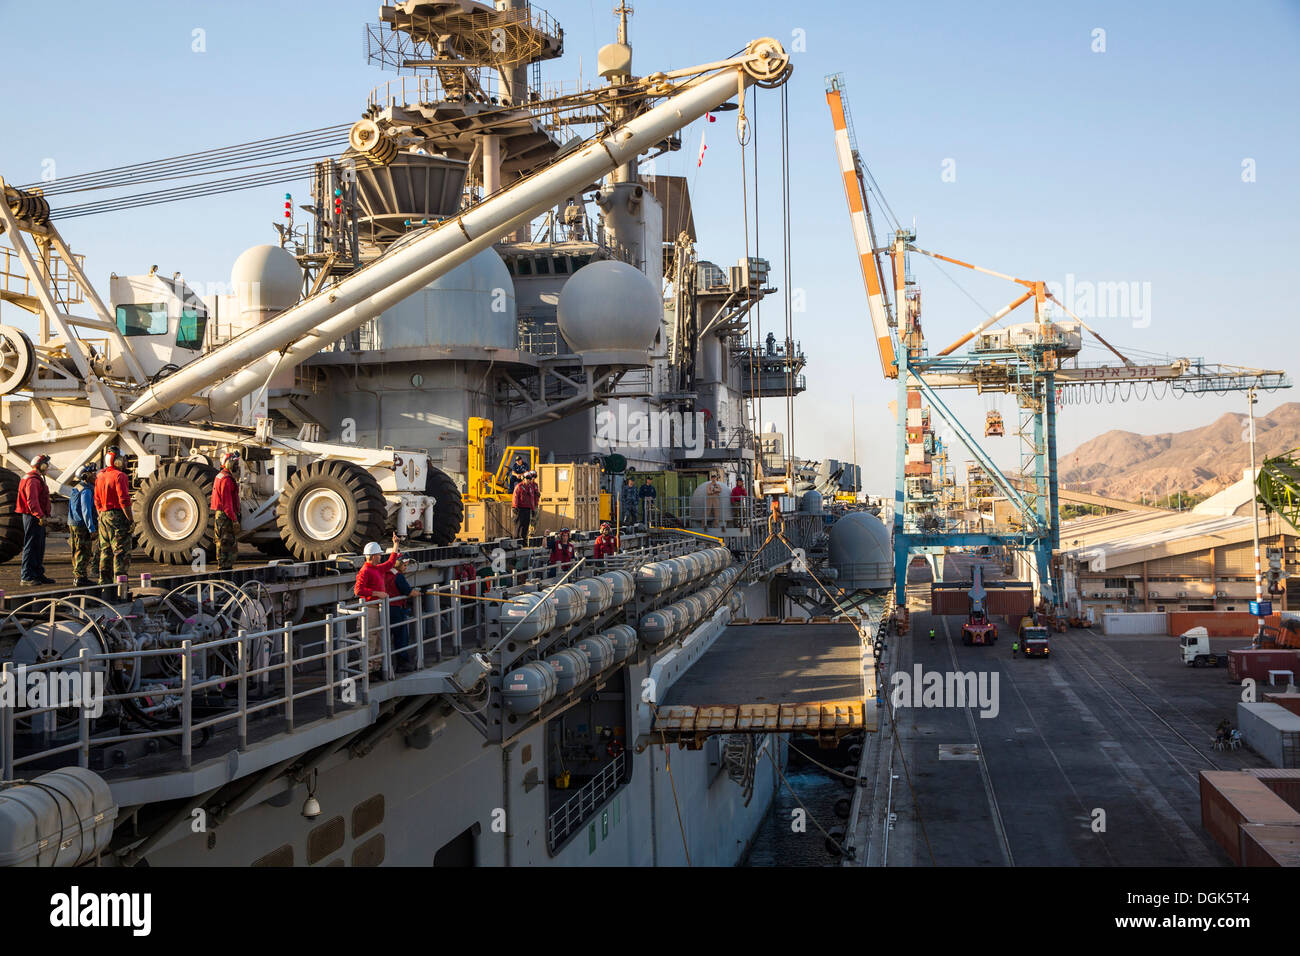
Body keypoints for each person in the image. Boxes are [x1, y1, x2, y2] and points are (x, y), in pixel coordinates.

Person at [354, 533, 401, 671]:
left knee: (378, 638)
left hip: (376, 608)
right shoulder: (365, 571)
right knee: (370, 640)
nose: (380, 557)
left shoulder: (375, 568)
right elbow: (358, 590)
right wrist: (377, 593)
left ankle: (375, 667)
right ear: (374, 556)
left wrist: (396, 545)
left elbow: (390, 563)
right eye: (379, 555)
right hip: (370, 608)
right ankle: (367, 670)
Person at [94, 446, 132, 585]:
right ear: (116, 461)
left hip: (103, 515)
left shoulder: (100, 475)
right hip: (117, 515)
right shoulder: (120, 476)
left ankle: (104, 582)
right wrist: (130, 519)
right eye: (122, 459)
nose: (124, 462)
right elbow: (124, 500)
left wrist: (101, 514)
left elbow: (96, 499)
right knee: (121, 550)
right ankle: (120, 583)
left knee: (105, 550)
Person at [16, 454, 55, 586]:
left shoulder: (35, 478)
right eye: (46, 465)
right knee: (31, 545)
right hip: (33, 517)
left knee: (39, 545)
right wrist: (40, 515)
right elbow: (32, 501)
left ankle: (37, 573)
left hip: (35, 516)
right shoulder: (33, 480)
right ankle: (26, 576)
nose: (48, 467)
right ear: (42, 466)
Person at [68, 464, 98, 587]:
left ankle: (78, 576)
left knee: (76, 550)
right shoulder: (86, 490)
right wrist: (91, 528)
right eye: (93, 473)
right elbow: (86, 511)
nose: (95, 476)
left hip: (74, 523)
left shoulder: (77, 487)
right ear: (86, 475)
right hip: (82, 525)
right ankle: (80, 578)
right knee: (83, 551)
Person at [211, 450, 241, 571]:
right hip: (225, 516)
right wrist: (234, 520)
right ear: (228, 463)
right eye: (235, 463)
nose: (237, 466)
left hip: (221, 515)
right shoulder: (226, 480)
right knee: (226, 542)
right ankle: (225, 567)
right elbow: (227, 504)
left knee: (221, 541)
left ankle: (223, 565)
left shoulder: (221, 476)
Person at [512, 469, 540, 542]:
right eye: (527, 478)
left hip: (527, 508)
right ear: (524, 479)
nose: (529, 480)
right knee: (518, 524)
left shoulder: (530, 487)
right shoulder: (519, 486)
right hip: (520, 508)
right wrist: (515, 506)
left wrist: (533, 508)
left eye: (529, 478)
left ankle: (524, 539)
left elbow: (531, 499)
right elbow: (515, 496)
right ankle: (516, 539)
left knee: (526, 525)